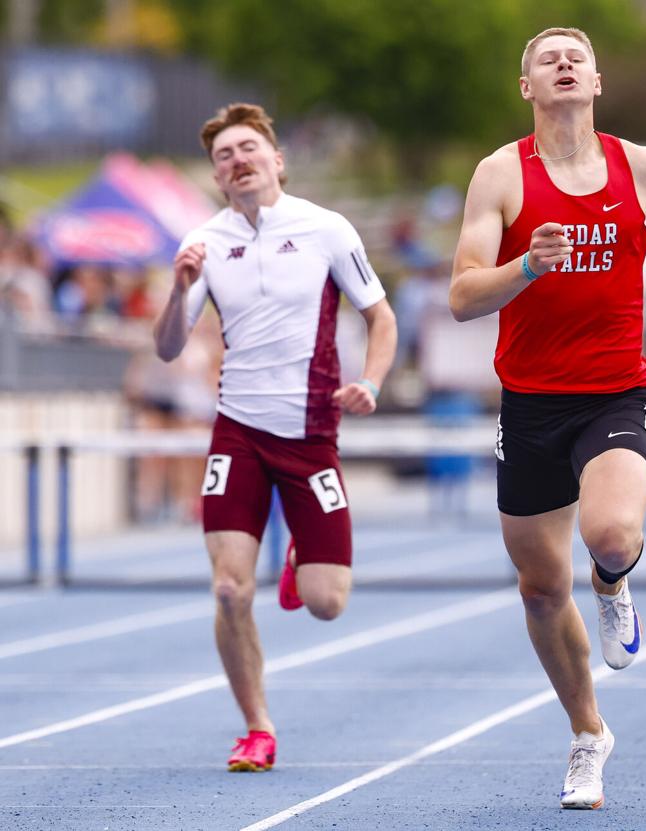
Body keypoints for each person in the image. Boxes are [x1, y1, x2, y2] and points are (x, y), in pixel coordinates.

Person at [449, 28, 646, 810]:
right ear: (526, 86)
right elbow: (463, 296)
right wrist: (526, 265)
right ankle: (587, 734)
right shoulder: (500, 174)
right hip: (529, 402)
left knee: (610, 533)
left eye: (575, 55)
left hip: (614, 393)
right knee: (538, 588)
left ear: (596, 79)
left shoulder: (639, 167)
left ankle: (612, 580)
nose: (563, 63)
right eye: (546, 58)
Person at [154, 103, 397, 772]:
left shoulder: (325, 229)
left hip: (309, 433)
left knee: (327, 602)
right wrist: (177, 292)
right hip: (237, 431)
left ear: (277, 159)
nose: (238, 160)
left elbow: (382, 318)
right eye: (224, 154)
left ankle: (298, 557)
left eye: (248, 148)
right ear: (215, 175)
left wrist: (370, 381)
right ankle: (256, 726)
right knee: (230, 590)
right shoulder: (202, 242)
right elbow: (169, 349)